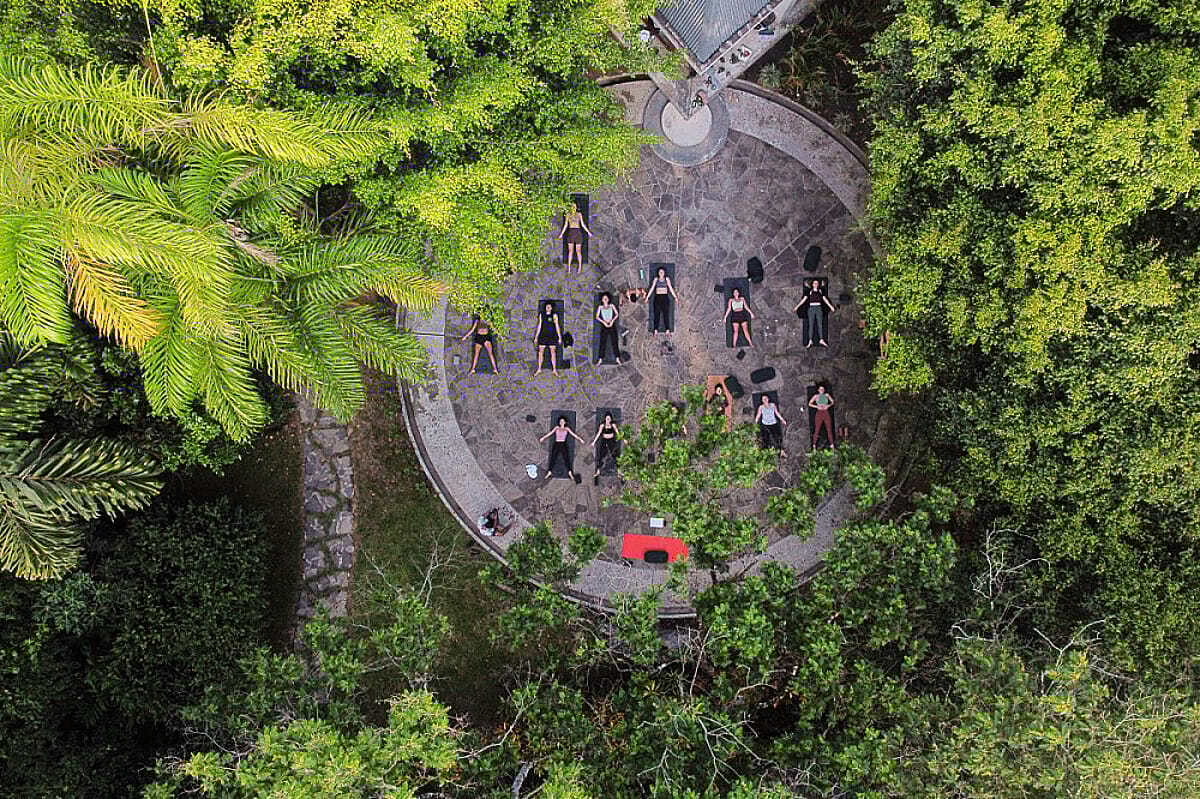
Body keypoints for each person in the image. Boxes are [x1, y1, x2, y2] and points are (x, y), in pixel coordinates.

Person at [539, 416, 585, 481]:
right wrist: (543, 438)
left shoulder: (567, 429)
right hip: (557, 444)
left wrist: (580, 439)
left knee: (566, 458)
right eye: (560, 421)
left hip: (563, 444)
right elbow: (550, 433)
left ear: (565, 422)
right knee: (553, 457)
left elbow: (573, 434)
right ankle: (549, 471)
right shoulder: (556, 428)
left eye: (563, 421)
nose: (561, 422)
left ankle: (569, 472)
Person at [794, 279, 836, 347]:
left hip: (819, 308)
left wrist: (831, 307)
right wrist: (797, 306)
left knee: (820, 324)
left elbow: (825, 299)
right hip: (811, 308)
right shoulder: (809, 291)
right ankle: (810, 340)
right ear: (812, 284)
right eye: (815, 283)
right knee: (811, 325)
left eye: (817, 283)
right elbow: (804, 300)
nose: (816, 284)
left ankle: (821, 339)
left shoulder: (821, 291)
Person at [558, 200, 592, 273]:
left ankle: (579, 266)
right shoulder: (567, 214)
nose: (573, 208)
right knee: (570, 251)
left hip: (578, 232)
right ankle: (569, 267)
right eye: (571, 206)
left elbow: (582, 224)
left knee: (578, 251)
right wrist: (561, 234)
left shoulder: (579, 214)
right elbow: (565, 225)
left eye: (574, 206)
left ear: (576, 207)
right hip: (571, 232)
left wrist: (588, 232)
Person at [534, 301, 563, 376]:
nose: (548, 308)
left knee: (553, 352)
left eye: (549, 307)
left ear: (551, 308)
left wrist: (559, 337)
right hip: (543, 336)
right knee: (540, 352)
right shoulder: (542, 315)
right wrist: (536, 337)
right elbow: (539, 326)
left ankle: (554, 369)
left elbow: (557, 326)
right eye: (547, 307)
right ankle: (539, 369)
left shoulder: (554, 315)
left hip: (552, 336)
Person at [591, 413, 620, 483]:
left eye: (609, 419)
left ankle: (619, 471)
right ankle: (598, 471)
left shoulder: (613, 425)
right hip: (604, 441)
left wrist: (623, 439)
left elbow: (617, 432)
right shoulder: (602, 425)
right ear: (605, 419)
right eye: (607, 419)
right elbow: (599, 433)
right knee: (601, 455)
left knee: (615, 455)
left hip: (611, 441)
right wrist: (594, 442)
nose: (608, 420)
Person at [594, 293, 622, 364]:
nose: (605, 300)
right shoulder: (600, 307)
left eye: (606, 298)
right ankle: (600, 359)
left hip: (611, 324)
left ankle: (617, 358)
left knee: (614, 341)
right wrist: (603, 322)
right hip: (604, 325)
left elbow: (617, 314)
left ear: (609, 299)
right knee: (602, 342)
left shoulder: (611, 305)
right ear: (602, 300)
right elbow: (597, 316)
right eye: (604, 299)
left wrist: (612, 321)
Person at [648, 267, 678, 334]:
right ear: (658, 273)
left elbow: (670, 288)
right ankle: (655, 329)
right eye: (660, 272)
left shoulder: (667, 279)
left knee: (666, 314)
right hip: (657, 298)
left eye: (662, 272)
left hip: (665, 297)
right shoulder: (656, 279)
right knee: (656, 314)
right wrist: (647, 297)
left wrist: (675, 297)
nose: (661, 273)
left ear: (664, 273)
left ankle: (667, 329)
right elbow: (652, 288)